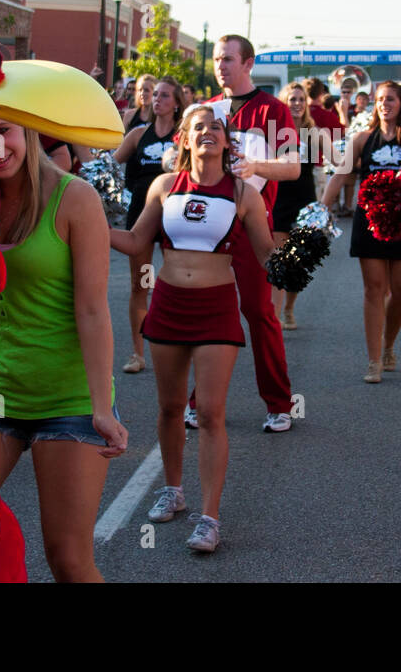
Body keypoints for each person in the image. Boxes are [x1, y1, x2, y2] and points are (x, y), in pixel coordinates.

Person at [110, 104, 275, 553]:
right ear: (184, 139)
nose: (208, 132)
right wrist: (84, 217)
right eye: (198, 127)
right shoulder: (165, 186)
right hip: (167, 303)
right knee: (168, 408)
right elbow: (135, 241)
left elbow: (266, 255)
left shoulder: (244, 193)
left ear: (226, 141)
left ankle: (209, 516)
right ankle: (173, 489)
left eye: (216, 128)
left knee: (210, 414)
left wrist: (301, 252)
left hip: (217, 307)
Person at [0, 117, 127, 582]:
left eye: (4, 130)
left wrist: (102, 408)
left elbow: (94, 311)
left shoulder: (74, 197)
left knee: (69, 561)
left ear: (31, 130)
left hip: (67, 401)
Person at [187, 35, 298, 433]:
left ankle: (279, 404)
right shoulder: (207, 109)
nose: (221, 66)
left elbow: (293, 168)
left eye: (229, 59)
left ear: (248, 63)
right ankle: (199, 401)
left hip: (251, 225)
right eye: (217, 59)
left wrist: (256, 167)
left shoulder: (274, 110)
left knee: (258, 311)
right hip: (210, 226)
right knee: (209, 313)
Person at [322, 80, 401, 382]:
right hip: (368, 222)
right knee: (374, 289)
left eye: (392, 100)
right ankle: (373, 360)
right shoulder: (362, 139)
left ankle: (389, 344)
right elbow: (340, 174)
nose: (385, 104)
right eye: (381, 99)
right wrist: (322, 208)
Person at [111, 77, 181, 372]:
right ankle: (137, 354)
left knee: (177, 282)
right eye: (156, 95)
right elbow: (111, 165)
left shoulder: (184, 136)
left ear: (177, 103)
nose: (158, 100)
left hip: (173, 216)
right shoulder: (139, 135)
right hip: (141, 215)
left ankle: (177, 348)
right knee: (141, 283)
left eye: (165, 96)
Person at [273, 82, 318, 329]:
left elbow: (340, 162)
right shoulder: (273, 132)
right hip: (279, 198)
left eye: (301, 99)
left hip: (305, 200)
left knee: (298, 261)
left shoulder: (314, 132)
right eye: (292, 99)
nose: (297, 104)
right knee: (279, 259)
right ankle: (276, 314)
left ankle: (289, 309)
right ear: (284, 102)